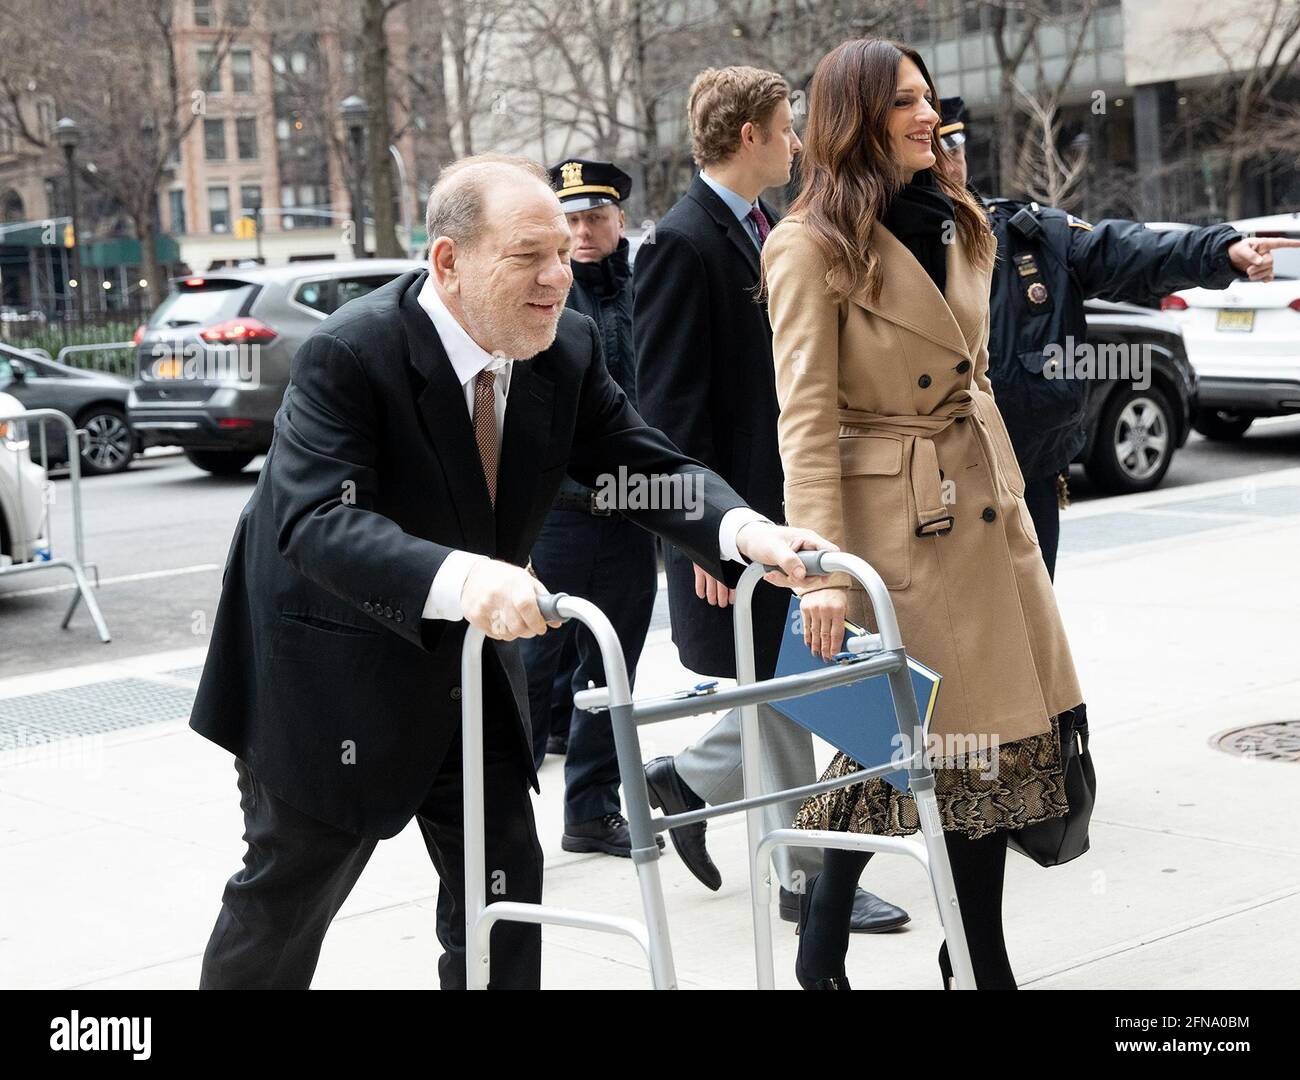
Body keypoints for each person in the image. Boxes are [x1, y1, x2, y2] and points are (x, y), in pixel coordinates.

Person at [191, 152, 837, 990]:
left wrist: (749, 533)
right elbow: (319, 522)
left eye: (565, 256)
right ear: (449, 262)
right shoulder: (350, 354)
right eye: (529, 255)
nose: (557, 277)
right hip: (329, 674)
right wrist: (467, 579)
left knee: (505, 897)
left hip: (472, 673)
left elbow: (635, 461)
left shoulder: (562, 348)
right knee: (286, 903)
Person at [762, 39, 1087, 990]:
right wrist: (817, 571)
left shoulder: (957, 217)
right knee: (885, 760)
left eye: (929, 97)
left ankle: (966, 961)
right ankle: (839, 958)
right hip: (896, 536)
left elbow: (972, 372)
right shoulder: (808, 246)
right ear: (853, 115)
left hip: (986, 514)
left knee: (982, 762)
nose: (927, 114)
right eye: (904, 100)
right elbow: (807, 422)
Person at [634, 65, 909, 933]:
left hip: (777, 519)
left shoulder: (766, 227)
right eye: (787, 127)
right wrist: (708, 542)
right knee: (791, 686)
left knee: (788, 685)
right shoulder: (681, 242)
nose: (798, 142)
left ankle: (687, 778)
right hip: (735, 531)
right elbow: (670, 412)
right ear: (748, 135)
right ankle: (799, 883)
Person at [938, 96, 1300, 578]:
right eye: (932, 147)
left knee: (1030, 642)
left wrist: (1224, 250)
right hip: (929, 498)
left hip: (1026, 487)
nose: (948, 160)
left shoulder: (1030, 236)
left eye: (955, 145)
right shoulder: (871, 253)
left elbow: (1131, 250)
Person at [518, 158, 662, 857]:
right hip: (563, 512)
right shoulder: (548, 294)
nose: (581, 230)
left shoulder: (648, 286)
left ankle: (590, 809)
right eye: (569, 219)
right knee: (532, 663)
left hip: (637, 508)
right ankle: (502, 817)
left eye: (593, 217)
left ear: (618, 221)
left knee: (613, 667)